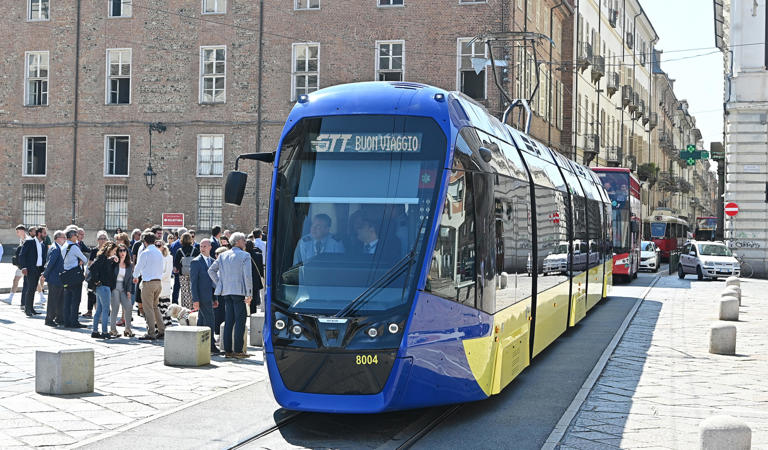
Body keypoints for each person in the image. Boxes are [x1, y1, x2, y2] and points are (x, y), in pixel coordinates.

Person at [208, 232, 253, 359]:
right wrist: (249, 293)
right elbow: (247, 276)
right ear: (238, 241)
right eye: (243, 240)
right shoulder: (245, 255)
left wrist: (220, 284)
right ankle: (238, 350)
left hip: (226, 291)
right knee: (240, 321)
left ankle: (228, 350)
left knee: (229, 321)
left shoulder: (223, 255)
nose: (245, 243)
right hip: (239, 291)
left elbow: (211, 270)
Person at [190, 239, 221, 354]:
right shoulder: (196, 262)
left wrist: (215, 298)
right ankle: (211, 345)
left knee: (202, 320)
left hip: (210, 296)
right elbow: (193, 283)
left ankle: (199, 344)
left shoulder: (212, 261)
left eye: (204, 246)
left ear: (210, 247)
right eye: (201, 246)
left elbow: (213, 283)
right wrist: (195, 300)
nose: (202, 248)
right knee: (210, 320)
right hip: (201, 297)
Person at [133, 232, 165, 341]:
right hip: (158, 282)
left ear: (145, 242)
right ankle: (161, 330)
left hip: (148, 282)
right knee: (155, 307)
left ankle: (151, 332)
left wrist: (135, 276)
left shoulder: (145, 252)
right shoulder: (159, 252)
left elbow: (138, 267)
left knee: (148, 308)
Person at [89, 242, 118, 339]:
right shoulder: (102, 258)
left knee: (99, 310)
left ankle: (95, 331)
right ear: (109, 250)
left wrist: (113, 261)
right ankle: (104, 332)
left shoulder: (104, 258)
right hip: (104, 287)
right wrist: (97, 280)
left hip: (101, 287)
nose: (115, 252)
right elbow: (92, 268)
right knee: (105, 310)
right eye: (114, 251)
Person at [61, 229, 89, 328]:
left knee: (67, 299)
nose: (77, 238)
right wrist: (79, 262)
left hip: (66, 275)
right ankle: (74, 321)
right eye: (76, 236)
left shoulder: (64, 246)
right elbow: (85, 259)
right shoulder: (73, 247)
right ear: (72, 236)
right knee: (76, 299)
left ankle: (67, 321)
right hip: (75, 275)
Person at [19, 226, 47, 317]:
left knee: (33, 288)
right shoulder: (30, 242)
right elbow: (22, 255)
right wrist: (23, 267)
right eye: (44, 233)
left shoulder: (42, 244)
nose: (45, 235)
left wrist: (43, 270)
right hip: (30, 269)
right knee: (30, 288)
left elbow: (42, 258)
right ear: (39, 234)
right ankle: (27, 309)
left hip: (37, 269)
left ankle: (31, 308)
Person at [41, 230, 67, 327]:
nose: (64, 239)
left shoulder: (57, 247)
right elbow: (50, 263)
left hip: (59, 278)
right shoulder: (55, 248)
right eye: (63, 237)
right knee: (53, 299)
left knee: (60, 299)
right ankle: (49, 319)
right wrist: (45, 274)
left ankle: (59, 318)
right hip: (54, 278)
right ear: (57, 238)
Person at [110, 243, 135, 337]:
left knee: (128, 306)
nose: (122, 252)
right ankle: (113, 330)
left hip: (124, 288)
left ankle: (128, 329)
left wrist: (129, 291)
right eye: (120, 251)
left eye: (124, 250)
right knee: (115, 308)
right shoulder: (114, 263)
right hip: (115, 288)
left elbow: (129, 280)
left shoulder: (129, 265)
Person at [83, 231, 109, 318]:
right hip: (94, 274)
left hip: (105, 275)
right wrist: (87, 273)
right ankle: (90, 311)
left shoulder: (108, 251)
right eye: (101, 238)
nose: (102, 240)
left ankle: (102, 311)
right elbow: (90, 263)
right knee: (91, 293)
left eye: (104, 238)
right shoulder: (94, 250)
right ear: (97, 240)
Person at [173, 232, 200, 310]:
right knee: (193, 292)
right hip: (194, 274)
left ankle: (186, 310)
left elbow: (176, 265)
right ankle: (194, 309)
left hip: (183, 274)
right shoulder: (195, 250)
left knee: (185, 294)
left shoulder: (179, 251)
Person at [7, 225, 28, 305]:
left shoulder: (28, 240)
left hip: (25, 265)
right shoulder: (21, 239)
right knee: (15, 280)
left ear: (22, 231)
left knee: (34, 283)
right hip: (21, 265)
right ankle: (10, 298)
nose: (17, 233)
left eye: (18, 231)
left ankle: (42, 297)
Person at [157, 239, 174, 330]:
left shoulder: (168, 257)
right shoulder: (153, 257)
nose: (157, 247)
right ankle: (158, 329)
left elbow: (167, 273)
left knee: (165, 310)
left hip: (164, 287)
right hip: (155, 287)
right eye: (156, 245)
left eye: (159, 245)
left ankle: (167, 329)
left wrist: (155, 277)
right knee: (156, 310)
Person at [212, 246, 229, 337]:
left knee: (221, 312)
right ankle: (218, 331)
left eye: (217, 254)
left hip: (222, 291)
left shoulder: (222, 263)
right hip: (219, 291)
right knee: (219, 312)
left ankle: (219, 332)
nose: (215, 256)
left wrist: (219, 284)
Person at [244, 240, 264, 312]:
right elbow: (261, 270)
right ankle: (253, 312)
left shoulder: (244, 255)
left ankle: (247, 312)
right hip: (256, 280)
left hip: (245, 279)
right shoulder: (258, 255)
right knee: (254, 299)